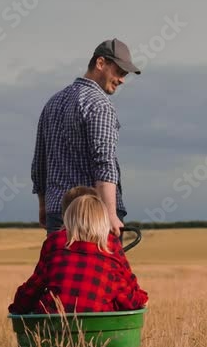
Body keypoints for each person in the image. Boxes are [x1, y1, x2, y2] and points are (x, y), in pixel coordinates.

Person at [31, 38, 142, 235]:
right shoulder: (99, 105)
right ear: (101, 63)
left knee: (61, 266)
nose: (122, 79)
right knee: (98, 267)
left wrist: (44, 205)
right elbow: (104, 162)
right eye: (119, 72)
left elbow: (39, 163)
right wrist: (109, 213)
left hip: (57, 212)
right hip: (92, 214)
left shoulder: (53, 102)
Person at [8, 194, 147, 314]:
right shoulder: (111, 249)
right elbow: (131, 299)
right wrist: (143, 299)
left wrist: (17, 308)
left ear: (67, 220)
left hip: (52, 328)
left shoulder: (54, 242)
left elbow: (33, 288)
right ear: (104, 223)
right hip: (100, 332)